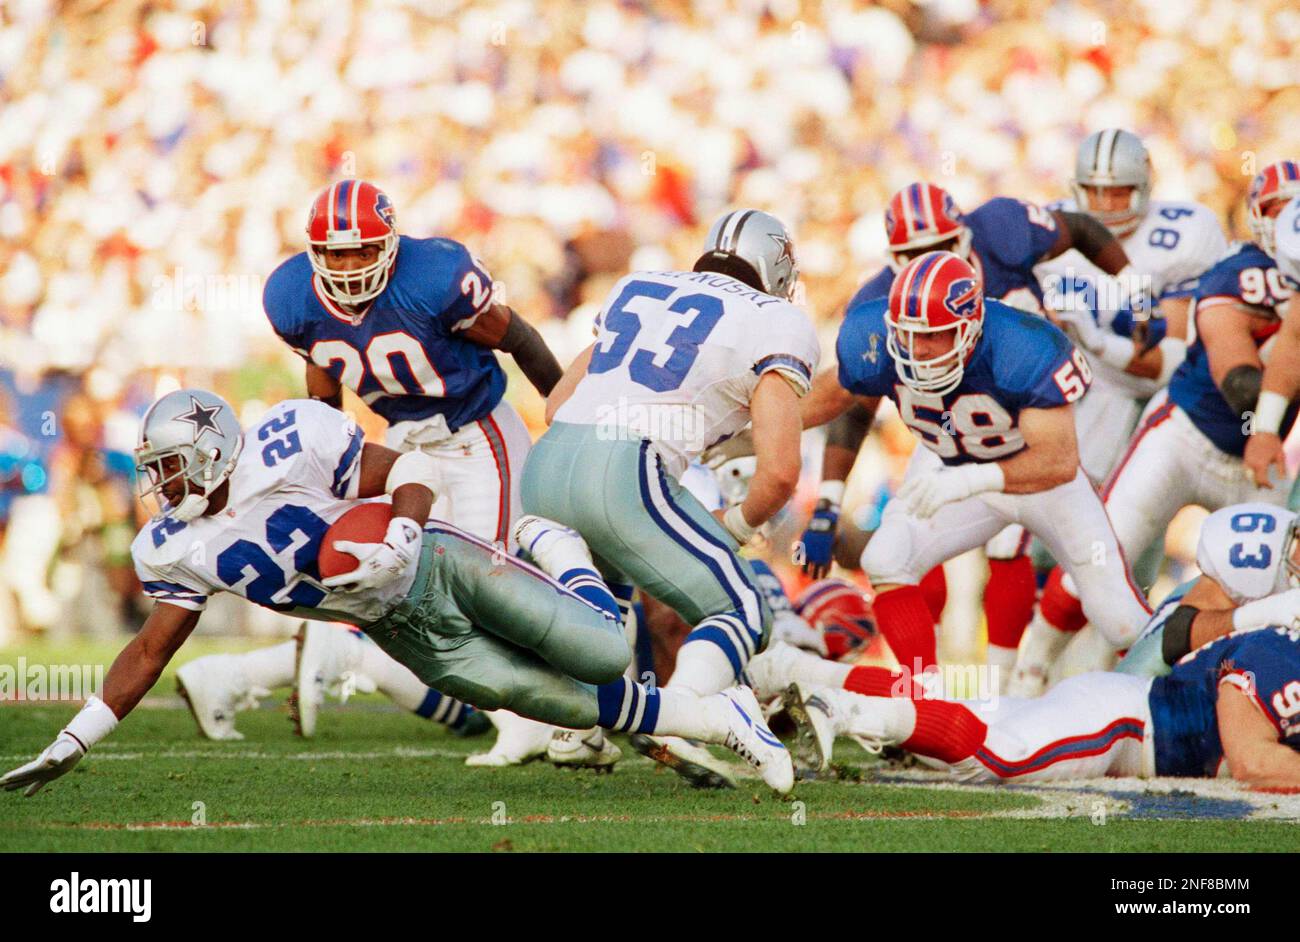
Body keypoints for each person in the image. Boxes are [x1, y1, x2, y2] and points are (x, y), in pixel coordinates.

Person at [0, 390, 793, 797]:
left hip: (433, 561)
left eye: (166, 468)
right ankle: (718, 720)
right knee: (562, 704)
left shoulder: (290, 438)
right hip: (396, 627)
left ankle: (557, 545)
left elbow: (409, 471)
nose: (156, 485)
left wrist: (401, 537)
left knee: (603, 650)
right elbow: (148, 649)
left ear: (209, 453)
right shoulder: (168, 545)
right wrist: (72, 742)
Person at [178, 179, 566, 765]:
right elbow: (323, 387)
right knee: (404, 590)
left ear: (391, 243)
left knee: (493, 576)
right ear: (315, 252)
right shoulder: (291, 298)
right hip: (403, 441)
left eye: (364, 249)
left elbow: (519, 337)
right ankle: (531, 715)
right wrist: (326, 460)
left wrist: (563, 414)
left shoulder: (435, 276)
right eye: (338, 252)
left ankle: (544, 718)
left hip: (476, 433)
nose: (352, 264)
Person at [523, 208, 820, 781]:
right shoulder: (776, 321)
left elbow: (557, 404)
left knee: (607, 594)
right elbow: (781, 472)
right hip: (622, 469)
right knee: (740, 607)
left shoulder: (643, 285)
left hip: (547, 468)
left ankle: (577, 732)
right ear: (779, 271)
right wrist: (734, 525)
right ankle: (682, 716)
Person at [800, 178, 1139, 679]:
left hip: (1033, 461)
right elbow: (843, 399)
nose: (921, 350)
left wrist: (1140, 294)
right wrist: (753, 433)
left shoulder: (1023, 337)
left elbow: (1057, 461)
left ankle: (1024, 684)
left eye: (935, 337)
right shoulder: (876, 318)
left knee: (1120, 619)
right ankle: (927, 705)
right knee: (887, 555)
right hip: (950, 451)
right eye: (911, 337)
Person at [1012, 161, 1300, 695]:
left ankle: (1232, 699)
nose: (1291, 225)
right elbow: (1237, 380)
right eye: (1281, 211)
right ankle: (1029, 673)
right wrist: (1265, 420)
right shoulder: (1239, 272)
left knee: (1273, 588)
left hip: (1257, 464)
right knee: (1097, 554)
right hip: (1184, 436)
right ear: (1260, 219)